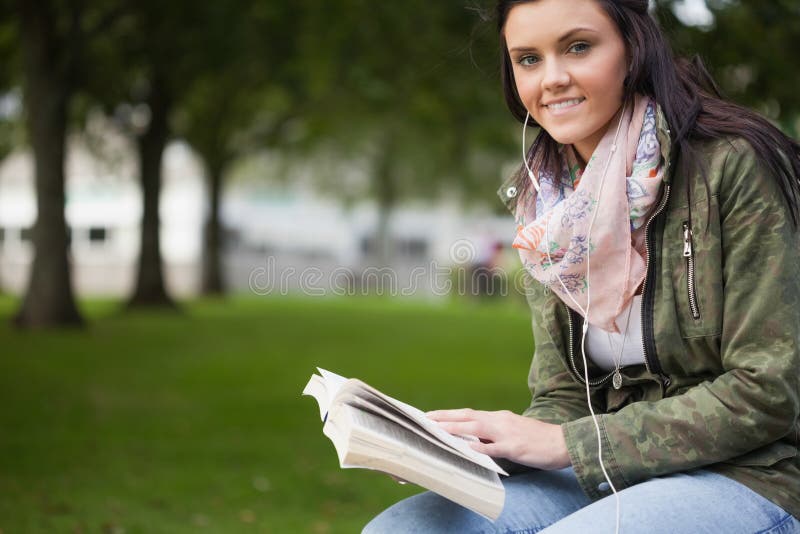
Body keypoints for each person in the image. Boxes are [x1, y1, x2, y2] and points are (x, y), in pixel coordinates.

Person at [363, 0, 800, 532]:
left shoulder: (731, 165)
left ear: (633, 48)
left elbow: (768, 390)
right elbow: (564, 395)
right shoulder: (548, 203)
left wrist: (567, 444)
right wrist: (475, 451)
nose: (553, 78)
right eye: (528, 59)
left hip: (747, 474)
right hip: (606, 475)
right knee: (405, 529)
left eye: (578, 47)